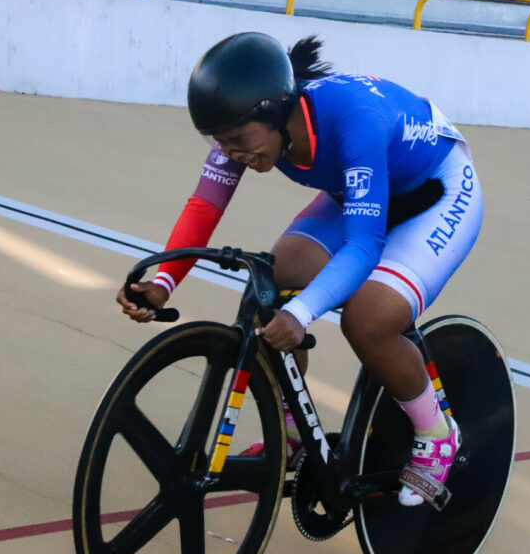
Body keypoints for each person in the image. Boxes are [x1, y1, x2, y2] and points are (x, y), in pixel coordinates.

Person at [116, 32, 483, 508]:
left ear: (278, 113)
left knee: (368, 321)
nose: (231, 154)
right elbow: (205, 206)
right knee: (272, 283)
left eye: (239, 141)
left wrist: (304, 313)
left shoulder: (355, 121)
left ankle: (436, 432)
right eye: (219, 143)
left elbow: (365, 244)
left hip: (438, 193)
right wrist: (162, 282)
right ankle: (291, 433)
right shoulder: (247, 127)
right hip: (363, 190)